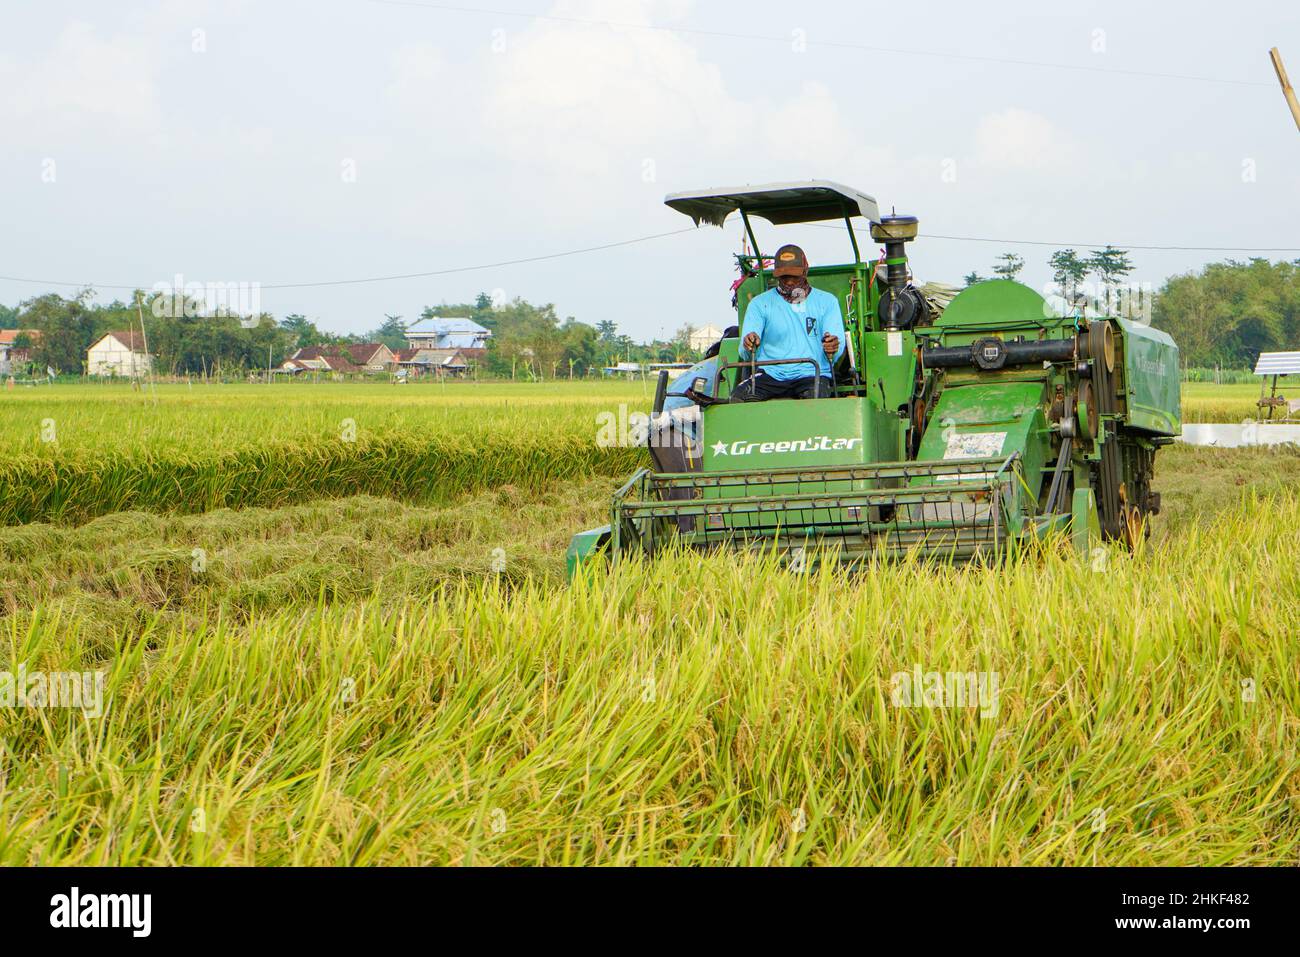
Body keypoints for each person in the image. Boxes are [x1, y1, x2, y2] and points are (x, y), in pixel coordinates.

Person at [731, 244, 844, 401]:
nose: (789, 282)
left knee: (816, 405)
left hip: (812, 374)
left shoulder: (827, 302)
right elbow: (744, 352)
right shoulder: (759, 304)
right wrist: (749, 343)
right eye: (784, 277)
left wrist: (833, 346)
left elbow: (837, 344)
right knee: (738, 397)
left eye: (794, 276)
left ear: (805, 271)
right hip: (771, 374)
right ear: (776, 275)